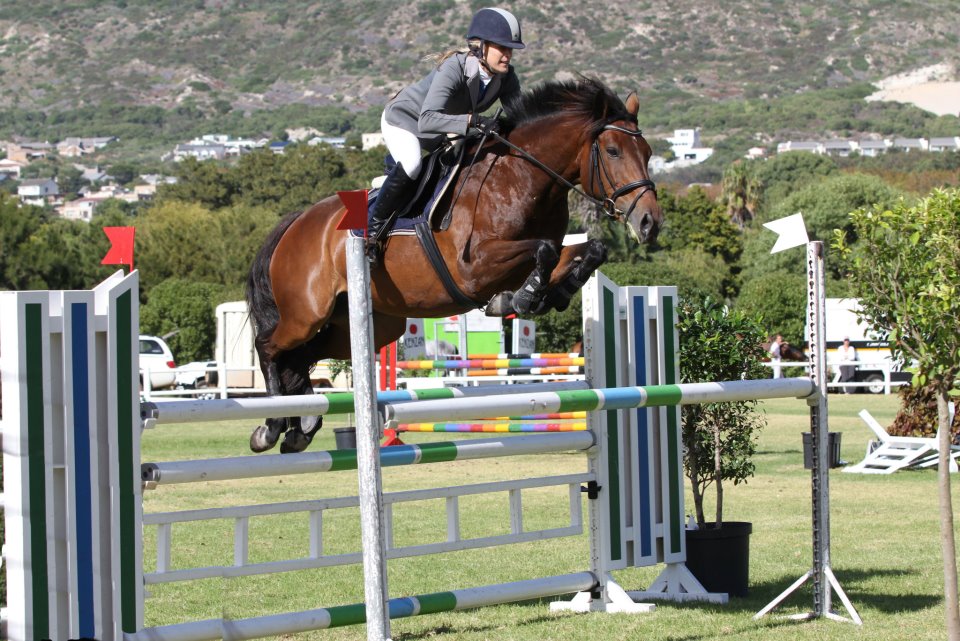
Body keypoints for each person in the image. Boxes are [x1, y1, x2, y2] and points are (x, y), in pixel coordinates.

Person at [366, 7, 525, 265]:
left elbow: (522, 119)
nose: (508, 55)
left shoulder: (506, 78)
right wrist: (473, 122)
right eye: (502, 48)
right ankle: (371, 232)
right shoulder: (454, 68)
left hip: (441, 131)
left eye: (511, 49)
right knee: (412, 163)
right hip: (405, 121)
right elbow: (426, 119)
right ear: (481, 46)